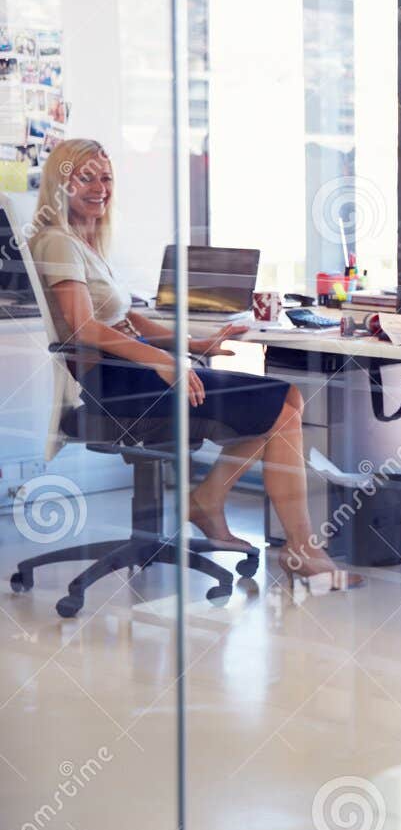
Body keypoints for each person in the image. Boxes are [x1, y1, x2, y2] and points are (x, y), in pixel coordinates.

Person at [29, 138, 357, 590]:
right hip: (117, 385)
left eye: (105, 177)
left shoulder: (84, 242)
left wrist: (195, 343)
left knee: (284, 404)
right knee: (285, 403)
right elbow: (86, 329)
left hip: (128, 373)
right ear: (60, 182)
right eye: (85, 177)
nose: (100, 188)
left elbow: (124, 318)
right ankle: (288, 544)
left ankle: (210, 500)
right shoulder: (58, 243)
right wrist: (167, 362)